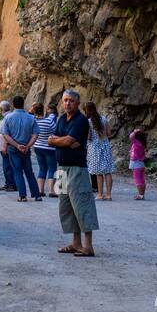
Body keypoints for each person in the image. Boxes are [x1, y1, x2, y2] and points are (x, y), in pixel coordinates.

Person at [48, 89, 99, 257]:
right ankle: (75, 243)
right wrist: (60, 141)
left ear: (77, 103)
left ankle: (88, 246)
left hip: (77, 170)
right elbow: (52, 139)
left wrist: (59, 141)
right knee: (66, 206)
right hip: (61, 169)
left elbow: (68, 140)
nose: (67, 103)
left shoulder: (81, 121)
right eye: (65, 100)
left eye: (70, 100)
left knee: (82, 205)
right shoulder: (62, 119)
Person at [1, 96, 42, 202]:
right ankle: (37, 195)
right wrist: (28, 146)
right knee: (29, 172)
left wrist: (16, 145)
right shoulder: (31, 117)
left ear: (13, 105)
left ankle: (22, 196)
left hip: (14, 149)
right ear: (23, 104)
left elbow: (5, 135)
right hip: (26, 149)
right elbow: (36, 134)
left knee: (17, 172)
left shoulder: (8, 118)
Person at [84, 101, 115, 200]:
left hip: (94, 148)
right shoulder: (104, 119)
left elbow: (88, 137)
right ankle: (109, 195)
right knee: (108, 171)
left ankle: (100, 194)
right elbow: (109, 134)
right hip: (105, 146)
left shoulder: (88, 122)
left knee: (98, 173)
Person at [32, 102, 57, 198]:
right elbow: (56, 131)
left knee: (42, 168)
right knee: (52, 168)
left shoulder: (33, 121)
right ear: (43, 110)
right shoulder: (48, 121)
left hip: (37, 147)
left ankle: (40, 190)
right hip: (49, 147)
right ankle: (51, 191)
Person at [0, 100, 17, 191]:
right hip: (6, 146)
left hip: (6, 146)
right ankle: (8, 183)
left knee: (7, 167)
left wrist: (5, 146)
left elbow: (7, 134)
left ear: (1, 109)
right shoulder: (9, 116)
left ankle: (11, 184)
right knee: (7, 166)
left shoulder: (7, 118)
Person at [129, 128, 148, 200]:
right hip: (141, 164)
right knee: (141, 180)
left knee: (138, 180)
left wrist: (134, 131)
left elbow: (131, 137)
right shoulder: (142, 144)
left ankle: (140, 195)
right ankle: (142, 194)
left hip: (136, 164)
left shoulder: (137, 143)